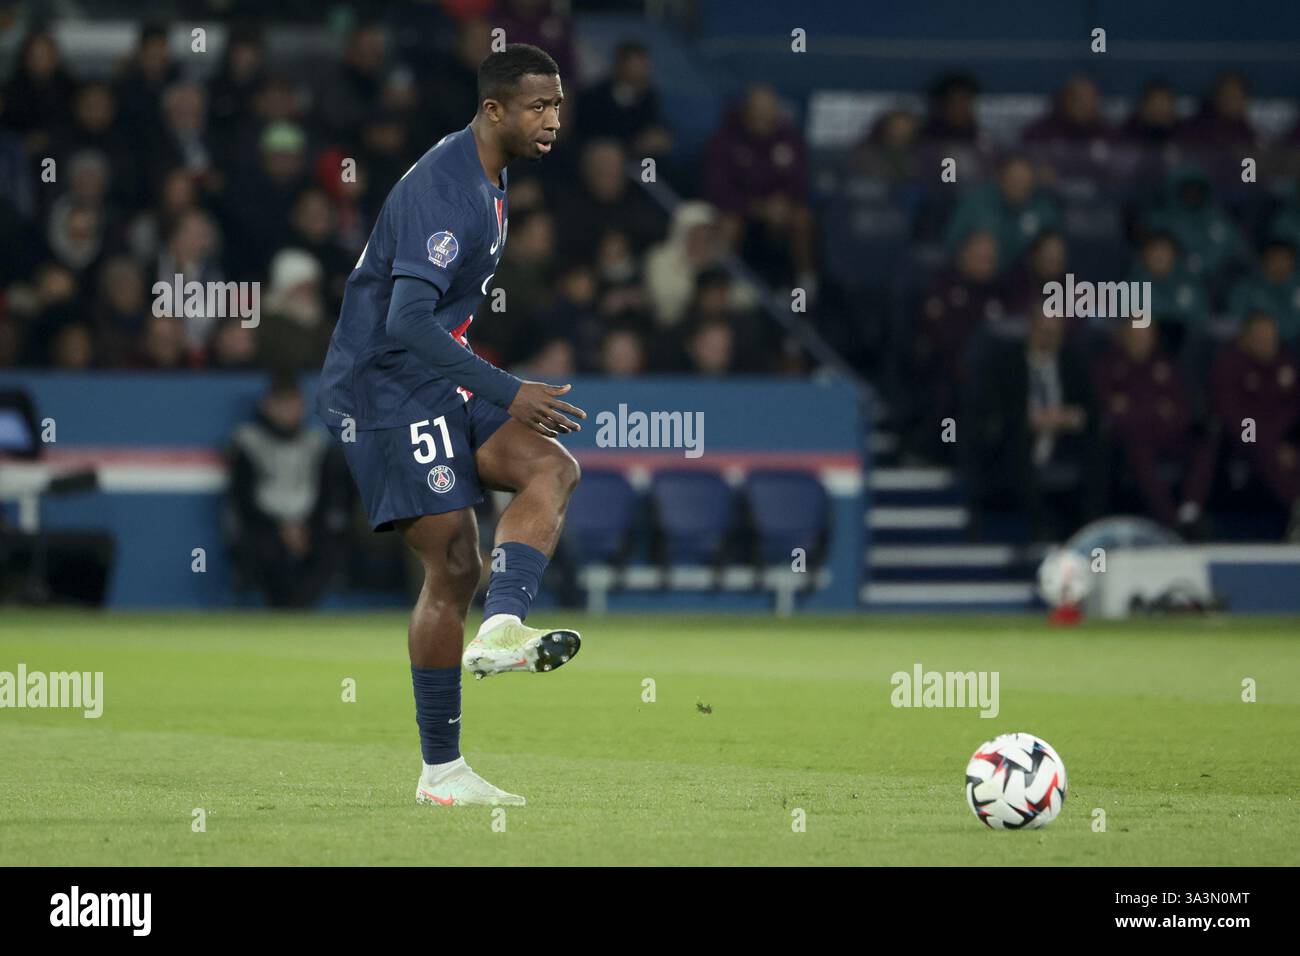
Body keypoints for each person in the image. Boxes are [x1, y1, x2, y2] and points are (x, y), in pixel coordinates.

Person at [316, 44, 584, 808]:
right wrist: (510, 388)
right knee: (455, 563)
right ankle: (441, 772)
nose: (553, 120)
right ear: (494, 109)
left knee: (553, 467)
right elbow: (403, 320)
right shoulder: (447, 187)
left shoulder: (489, 175)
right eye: (538, 106)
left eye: (558, 105)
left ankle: (502, 629)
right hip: (382, 387)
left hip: (437, 371)